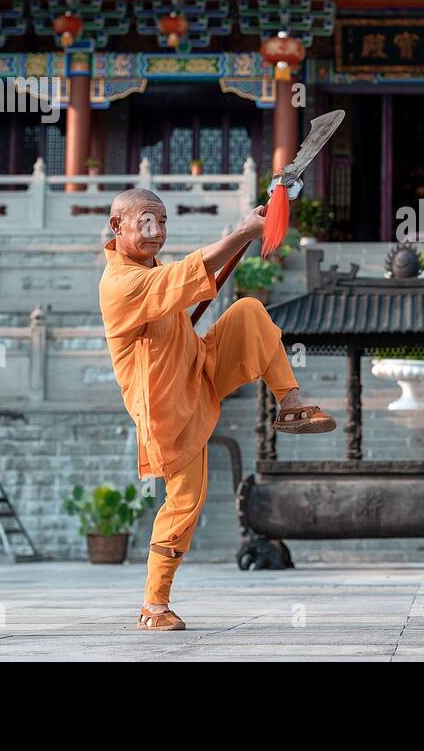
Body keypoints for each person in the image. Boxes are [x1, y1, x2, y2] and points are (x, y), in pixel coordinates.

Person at [99, 188, 337, 631]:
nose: (157, 231)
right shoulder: (120, 285)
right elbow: (190, 271)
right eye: (146, 222)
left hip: (199, 368)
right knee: (186, 500)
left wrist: (244, 233)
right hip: (167, 406)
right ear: (117, 227)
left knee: (247, 310)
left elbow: (187, 279)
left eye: (163, 221)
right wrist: (240, 231)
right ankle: (154, 605)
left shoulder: (153, 269)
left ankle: (291, 404)